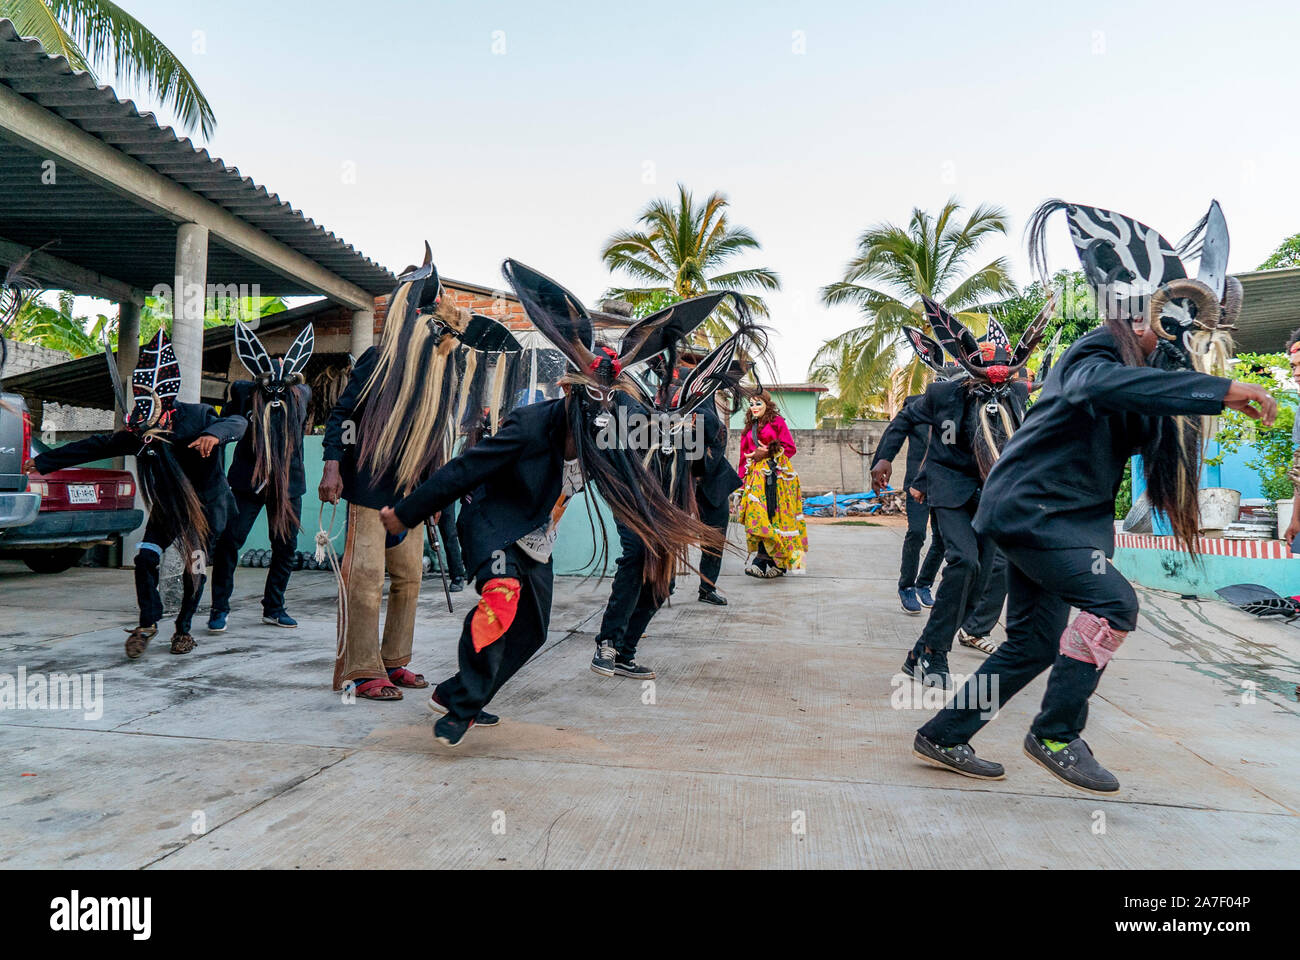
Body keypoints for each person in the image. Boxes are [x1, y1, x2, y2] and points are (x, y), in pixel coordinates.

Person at [913, 199, 1275, 794]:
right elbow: (1098, 387)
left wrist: (1191, 391)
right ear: (1130, 315)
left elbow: (1147, 407)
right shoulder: (1095, 353)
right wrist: (1217, 389)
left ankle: (945, 733)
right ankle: (1056, 733)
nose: (1151, 333)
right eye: (1148, 320)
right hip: (1034, 512)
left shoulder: (1152, 373)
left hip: (1064, 521)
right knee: (1115, 604)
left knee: (1032, 644)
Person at [380, 260, 724, 747]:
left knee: (533, 634)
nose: (603, 422)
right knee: (500, 595)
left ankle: (460, 693)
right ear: (573, 399)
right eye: (596, 409)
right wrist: (406, 512)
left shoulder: (606, 442)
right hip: (493, 524)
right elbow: (463, 471)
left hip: (537, 540)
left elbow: (631, 487)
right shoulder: (529, 425)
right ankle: (460, 712)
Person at [28, 330, 246, 658]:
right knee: (145, 558)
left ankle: (184, 629)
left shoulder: (198, 416)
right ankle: (148, 623)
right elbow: (93, 446)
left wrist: (214, 436)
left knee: (195, 568)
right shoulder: (138, 432)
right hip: (168, 506)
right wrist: (41, 462)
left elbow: (238, 422)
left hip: (208, 506)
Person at [319, 249, 471, 702]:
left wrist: (438, 494)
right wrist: (332, 466)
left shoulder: (438, 368)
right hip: (368, 486)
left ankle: (394, 661)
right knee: (364, 577)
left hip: (413, 491)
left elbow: (436, 436)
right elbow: (341, 415)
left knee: (409, 577)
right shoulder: (376, 359)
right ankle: (362, 670)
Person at [881, 304, 1050, 690]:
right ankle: (935, 657)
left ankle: (919, 653)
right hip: (950, 487)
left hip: (990, 493)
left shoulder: (1016, 395)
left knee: (978, 587)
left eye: (1003, 377)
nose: (995, 385)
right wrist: (884, 460)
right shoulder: (945, 394)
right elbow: (906, 419)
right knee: (964, 562)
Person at [589, 295, 758, 678]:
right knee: (636, 554)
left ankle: (626, 651)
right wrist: (659, 423)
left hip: (669, 492)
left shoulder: (690, 386)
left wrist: (691, 423)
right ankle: (607, 644)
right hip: (630, 489)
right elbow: (614, 433)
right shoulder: (622, 380)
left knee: (662, 580)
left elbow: (708, 434)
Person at [208, 322, 314, 631]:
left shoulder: (300, 395)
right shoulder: (244, 393)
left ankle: (274, 607)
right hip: (247, 482)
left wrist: (284, 378)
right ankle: (219, 608)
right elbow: (231, 413)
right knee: (229, 540)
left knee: (286, 545)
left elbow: (301, 388)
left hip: (288, 483)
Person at [871, 395, 945, 615]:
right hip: (916, 484)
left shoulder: (958, 404)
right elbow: (894, 433)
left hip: (946, 484)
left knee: (942, 539)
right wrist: (883, 460)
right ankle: (907, 587)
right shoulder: (916, 406)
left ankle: (924, 584)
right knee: (916, 532)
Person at [737, 391, 806, 577]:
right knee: (759, 518)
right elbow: (744, 457)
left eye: (758, 403)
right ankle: (766, 562)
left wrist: (767, 453)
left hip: (777, 479)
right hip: (755, 481)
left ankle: (767, 563)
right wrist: (741, 483)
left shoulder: (777, 422)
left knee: (776, 520)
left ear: (767, 404)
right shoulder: (749, 427)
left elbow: (790, 448)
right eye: (751, 403)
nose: (754, 407)